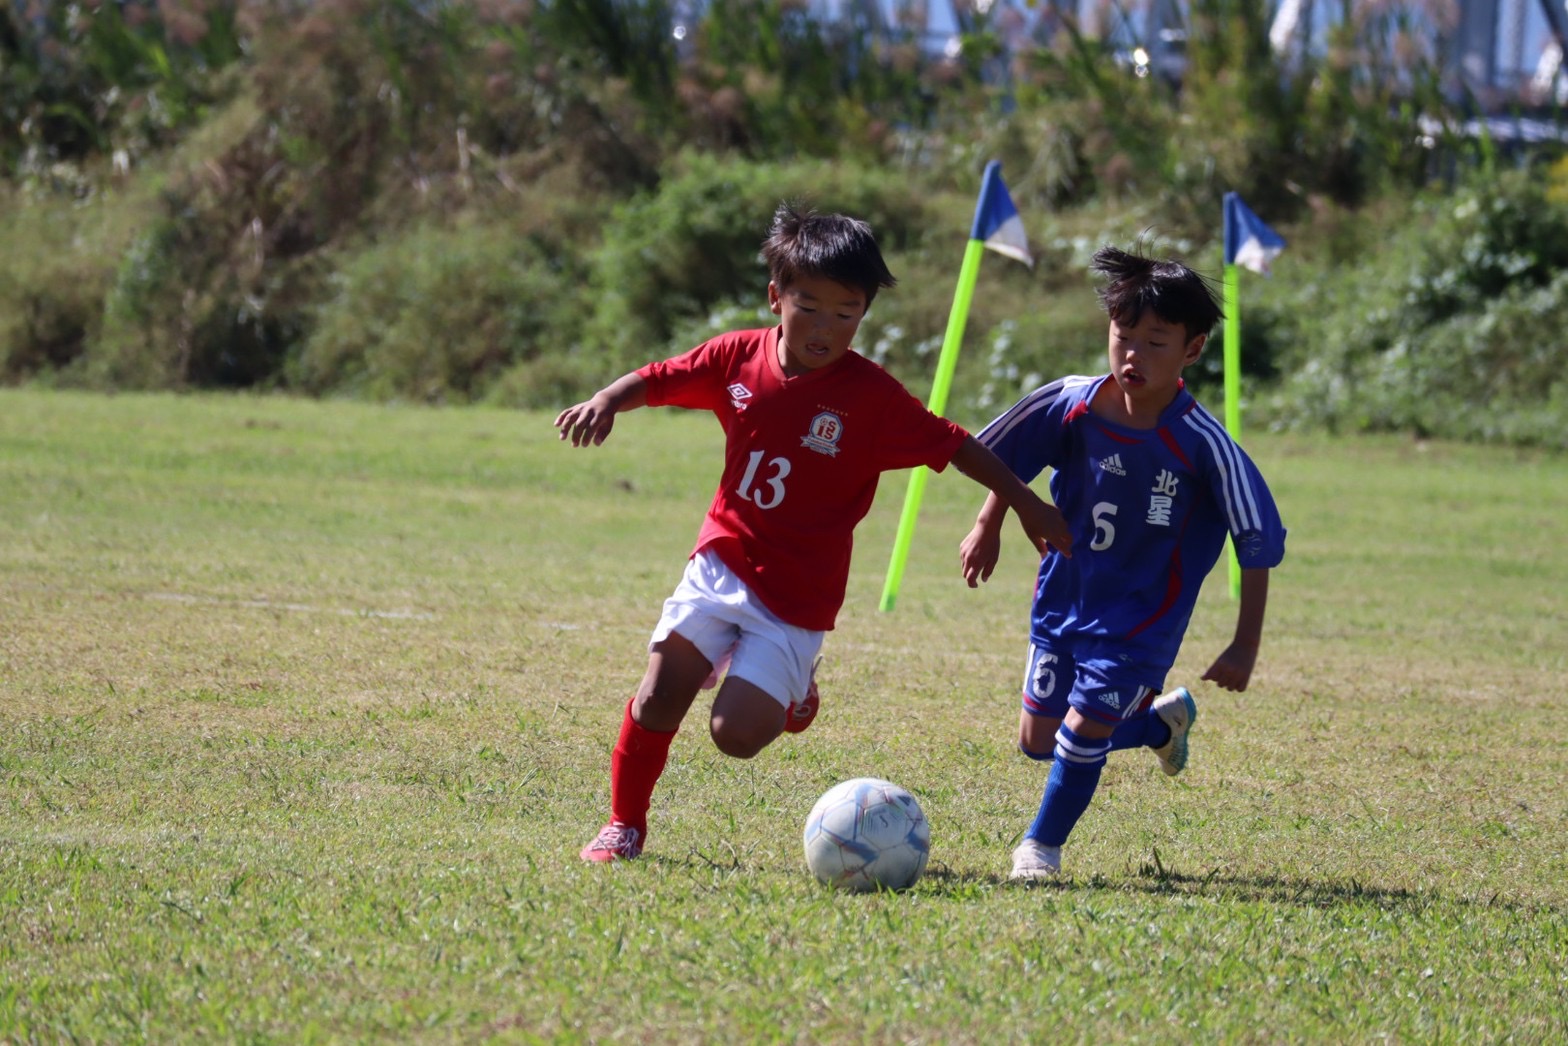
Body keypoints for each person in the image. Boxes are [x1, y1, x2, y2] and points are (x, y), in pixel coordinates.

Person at [556, 203, 1075, 863]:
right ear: (776, 297)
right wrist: (606, 400)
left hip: (798, 595)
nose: (826, 328)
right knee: (659, 692)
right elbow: (658, 379)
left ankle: (794, 695)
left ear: (864, 314)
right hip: (721, 559)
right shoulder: (736, 358)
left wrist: (1025, 504)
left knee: (734, 735)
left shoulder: (872, 399)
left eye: (846, 313)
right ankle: (623, 824)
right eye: (810, 306)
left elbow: (955, 445)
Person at [959, 244, 1287, 880]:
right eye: (1123, 337)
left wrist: (1245, 644)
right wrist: (988, 522)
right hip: (1066, 597)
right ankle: (1160, 728)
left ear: (1192, 350)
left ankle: (1039, 848)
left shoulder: (1204, 444)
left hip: (1141, 618)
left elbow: (1257, 540)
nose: (1133, 355)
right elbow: (1007, 460)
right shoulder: (1070, 403)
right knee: (1038, 741)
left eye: (1155, 343)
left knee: (1080, 734)